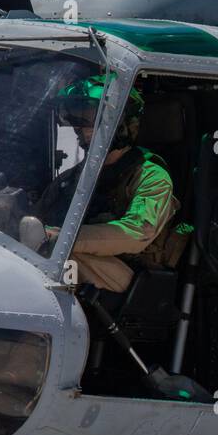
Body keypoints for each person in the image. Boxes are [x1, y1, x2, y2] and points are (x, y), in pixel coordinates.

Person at [41, 75, 180, 293]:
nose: (78, 125)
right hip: (90, 264)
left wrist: (62, 239)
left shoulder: (151, 176)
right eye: (73, 115)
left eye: (87, 115)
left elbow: (136, 233)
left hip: (131, 273)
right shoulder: (70, 179)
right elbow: (36, 223)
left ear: (121, 120)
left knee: (61, 256)